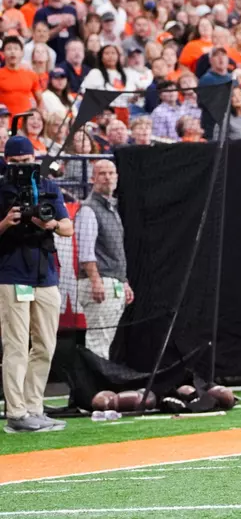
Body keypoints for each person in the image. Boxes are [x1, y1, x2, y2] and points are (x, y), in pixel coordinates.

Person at [0, 135, 74, 432]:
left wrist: (51, 224)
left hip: (45, 273)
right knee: (16, 345)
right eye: (15, 162)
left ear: (35, 157)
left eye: (26, 161)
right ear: (6, 161)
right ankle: (16, 414)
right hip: (10, 271)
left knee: (45, 343)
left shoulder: (47, 186)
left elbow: (67, 227)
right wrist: (5, 222)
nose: (21, 167)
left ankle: (34, 407)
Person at [76, 159, 133, 359]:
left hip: (112, 281)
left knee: (104, 339)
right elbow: (86, 251)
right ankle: (96, 387)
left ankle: (100, 385)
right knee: (98, 340)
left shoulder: (112, 208)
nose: (107, 177)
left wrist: (123, 281)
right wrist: (95, 281)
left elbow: (115, 251)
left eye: (111, 173)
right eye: (102, 173)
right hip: (100, 282)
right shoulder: (89, 209)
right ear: (92, 179)